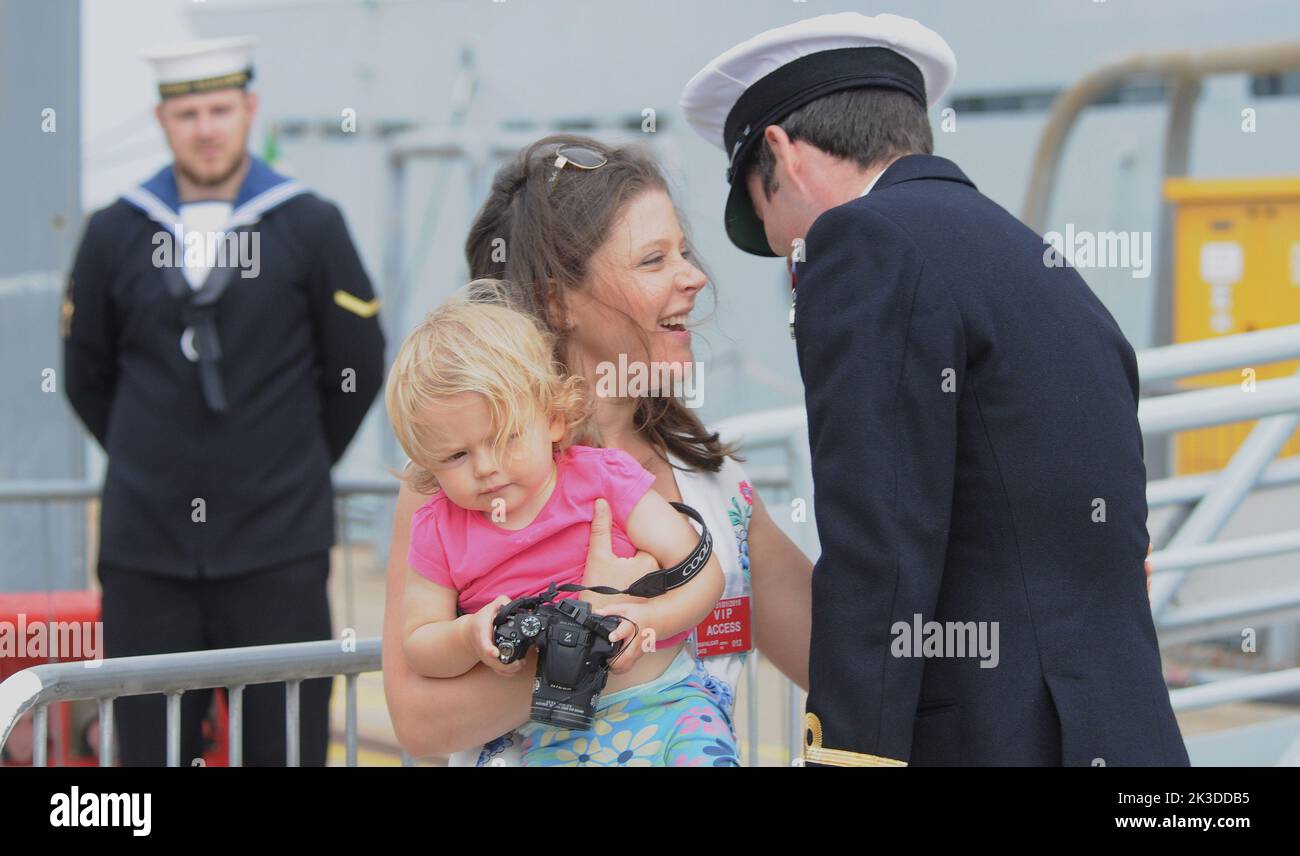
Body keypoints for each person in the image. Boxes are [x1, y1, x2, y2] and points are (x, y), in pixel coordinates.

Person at [679, 12, 1189, 766]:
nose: (789, 252)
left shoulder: (859, 242)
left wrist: (848, 754)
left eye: (769, 221)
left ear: (780, 155)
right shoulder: (1031, 259)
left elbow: (878, 543)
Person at [382, 135, 816, 766]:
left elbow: (840, 654)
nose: (693, 277)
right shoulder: (452, 489)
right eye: (652, 261)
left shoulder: (715, 486)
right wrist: (585, 634)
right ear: (558, 301)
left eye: (684, 252)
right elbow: (420, 723)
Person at [61, 36, 386, 765]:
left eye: (219, 109)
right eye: (188, 114)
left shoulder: (311, 225)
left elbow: (356, 369)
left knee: (288, 745)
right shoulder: (116, 230)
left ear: (250, 110)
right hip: (147, 550)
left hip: (280, 548)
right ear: (162, 120)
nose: (205, 128)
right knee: (145, 756)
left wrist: (290, 460)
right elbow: (86, 376)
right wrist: (156, 458)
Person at [387, 288, 737, 766]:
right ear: (427, 461)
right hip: (554, 734)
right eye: (455, 455)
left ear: (552, 419)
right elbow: (420, 644)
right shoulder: (439, 529)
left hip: (670, 702)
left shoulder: (601, 478)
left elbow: (704, 573)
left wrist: (650, 621)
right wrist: (469, 638)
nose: (486, 468)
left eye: (505, 437)